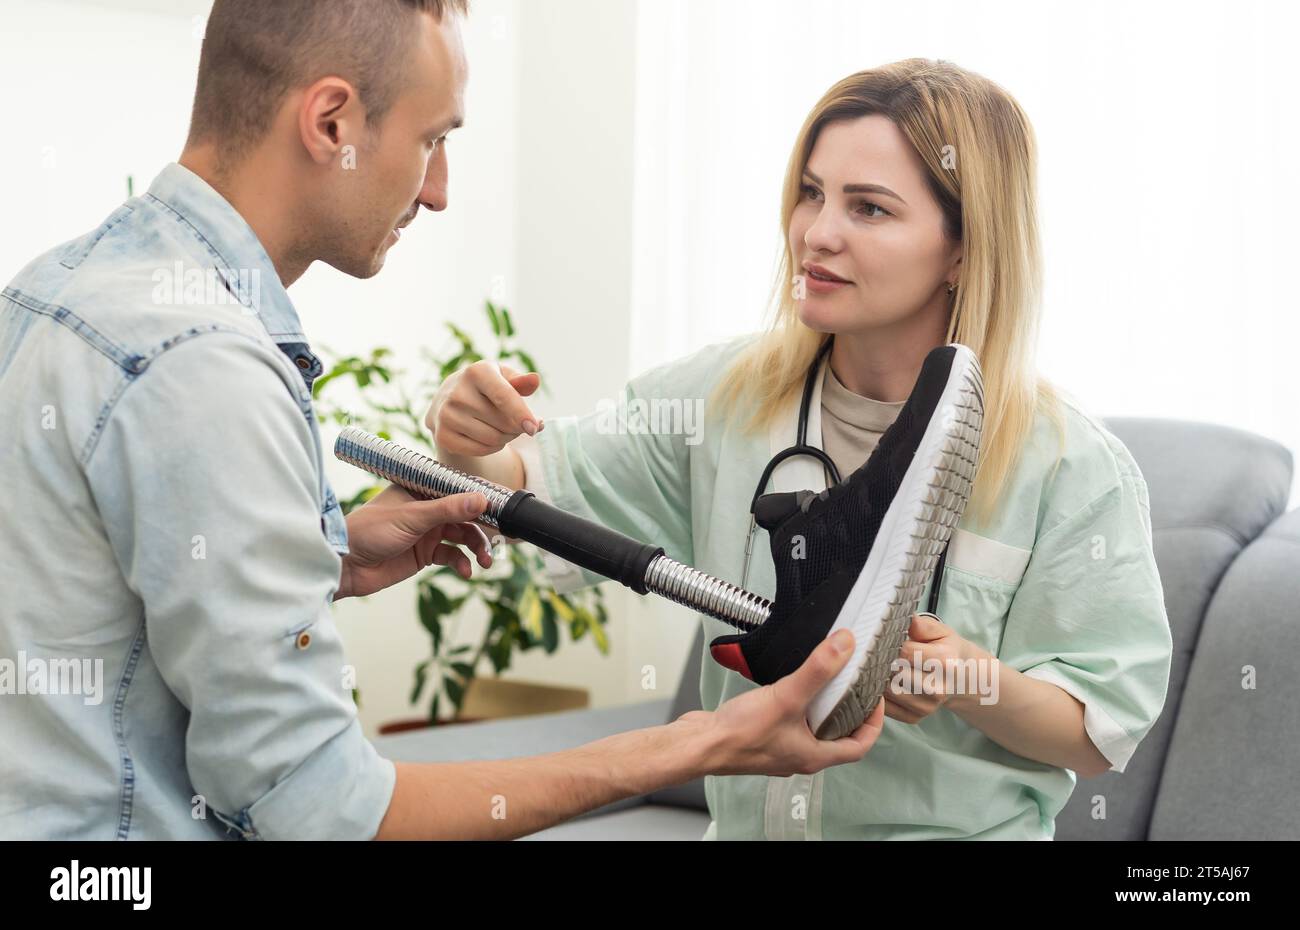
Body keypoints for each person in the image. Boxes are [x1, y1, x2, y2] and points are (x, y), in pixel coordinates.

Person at [0, 0, 885, 842]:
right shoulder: (207, 365)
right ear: (333, 123)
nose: (439, 192)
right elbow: (327, 813)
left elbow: (83, 590)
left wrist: (326, 556)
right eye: (433, 140)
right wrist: (694, 743)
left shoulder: (53, 289)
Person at [428, 59, 1174, 840]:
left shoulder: (1066, 465)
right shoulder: (723, 399)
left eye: (870, 209)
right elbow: (526, 488)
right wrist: (464, 433)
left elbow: (1098, 729)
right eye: (812, 193)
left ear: (962, 249)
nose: (816, 234)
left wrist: (966, 680)